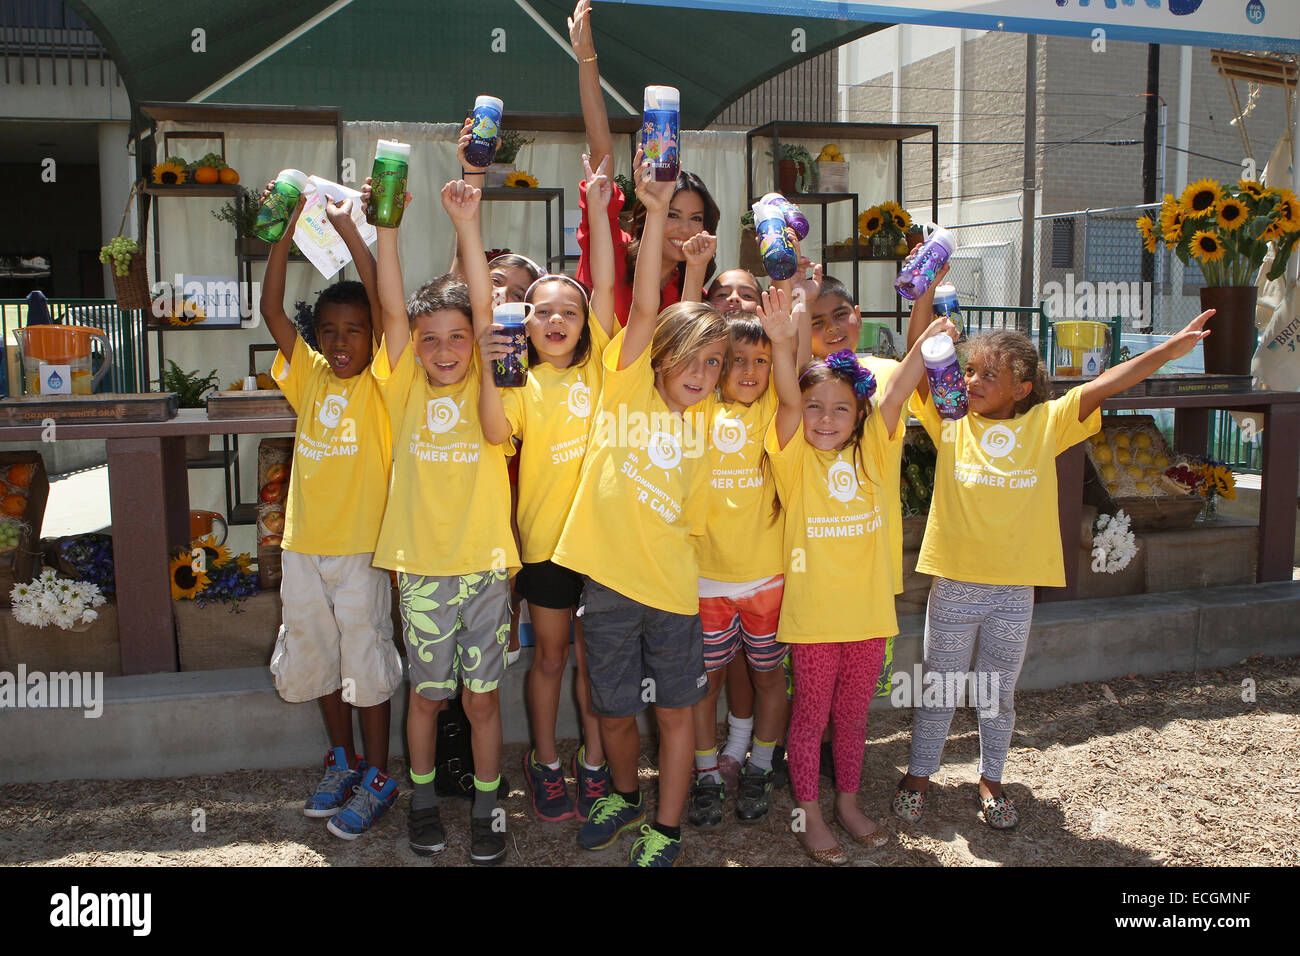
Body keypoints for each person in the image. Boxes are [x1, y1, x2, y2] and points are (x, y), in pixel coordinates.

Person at [893, 297, 1213, 831]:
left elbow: (1107, 382)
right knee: (941, 689)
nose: (971, 381)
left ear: (1022, 388)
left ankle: (991, 778)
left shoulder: (1048, 421)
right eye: (968, 369)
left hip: (1014, 593)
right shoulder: (950, 418)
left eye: (988, 374)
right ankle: (919, 774)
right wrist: (925, 290)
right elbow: (918, 355)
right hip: (954, 587)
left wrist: (1170, 348)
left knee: (998, 692)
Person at [552, 150, 729, 867]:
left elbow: (687, 314)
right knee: (613, 711)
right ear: (654, 358)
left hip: (673, 596)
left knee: (678, 712)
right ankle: (624, 797)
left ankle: (670, 825)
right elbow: (651, 308)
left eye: (713, 363)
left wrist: (698, 270)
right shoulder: (623, 385)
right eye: (689, 360)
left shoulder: (709, 422)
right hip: (610, 590)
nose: (700, 373)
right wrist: (653, 212)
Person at [760, 283, 952, 865]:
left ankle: (846, 801)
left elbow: (894, 393)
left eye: (840, 407)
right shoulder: (794, 458)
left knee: (852, 717)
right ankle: (808, 812)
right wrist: (782, 340)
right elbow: (789, 401)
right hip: (815, 620)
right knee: (810, 716)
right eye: (816, 406)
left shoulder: (875, 450)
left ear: (860, 415)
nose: (825, 417)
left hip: (869, 616)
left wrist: (928, 341)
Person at [368, 172, 518, 865]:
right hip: (423, 569)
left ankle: (490, 805)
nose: (446, 349)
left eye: (458, 336)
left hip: (486, 565)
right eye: (432, 340)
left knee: (483, 700)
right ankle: (422, 799)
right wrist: (387, 227)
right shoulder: (401, 383)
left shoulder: (492, 385)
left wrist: (468, 225)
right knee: (427, 695)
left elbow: (485, 318)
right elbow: (393, 309)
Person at [478, 153, 618, 823]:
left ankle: (594, 760)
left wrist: (596, 206)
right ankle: (543, 759)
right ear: (526, 326)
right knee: (551, 658)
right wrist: (492, 365)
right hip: (545, 548)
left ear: (587, 323)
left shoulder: (607, 372)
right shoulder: (522, 384)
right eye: (543, 313)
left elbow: (613, 286)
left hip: (607, 546)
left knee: (597, 663)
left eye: (570, 311)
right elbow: (493, 428)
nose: (557, 321)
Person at [260, 190, 402, 840]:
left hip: (362, 552)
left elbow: (384, 302)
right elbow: (269, 309)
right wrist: (285, 232)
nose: (341, 342)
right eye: (329, 331)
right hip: (302, 547)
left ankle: (379, 772)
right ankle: (341, 759)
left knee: (366, 662)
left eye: (355, 330)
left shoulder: (383, 383)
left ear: (373, 334)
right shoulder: (309, 374)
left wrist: (352, 231)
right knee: (317, 656)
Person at [688, 297, 806, 828]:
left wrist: (781, 342)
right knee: (704, 685)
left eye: (761, 362)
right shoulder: (698, 410)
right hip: (704, 583)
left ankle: (759, 765)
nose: (751, 371)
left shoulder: (770, 414)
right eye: (739, 360)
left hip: (766, 582)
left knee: (766, 679)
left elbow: (790, 398)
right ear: (716, 366)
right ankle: (706, 774)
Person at [568, 0, 720, 326]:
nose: (685, 228)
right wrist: (586, 59)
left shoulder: (694, 292)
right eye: (673, 214)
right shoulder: (614, 252)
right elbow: (601, 153)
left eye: (696, 218)